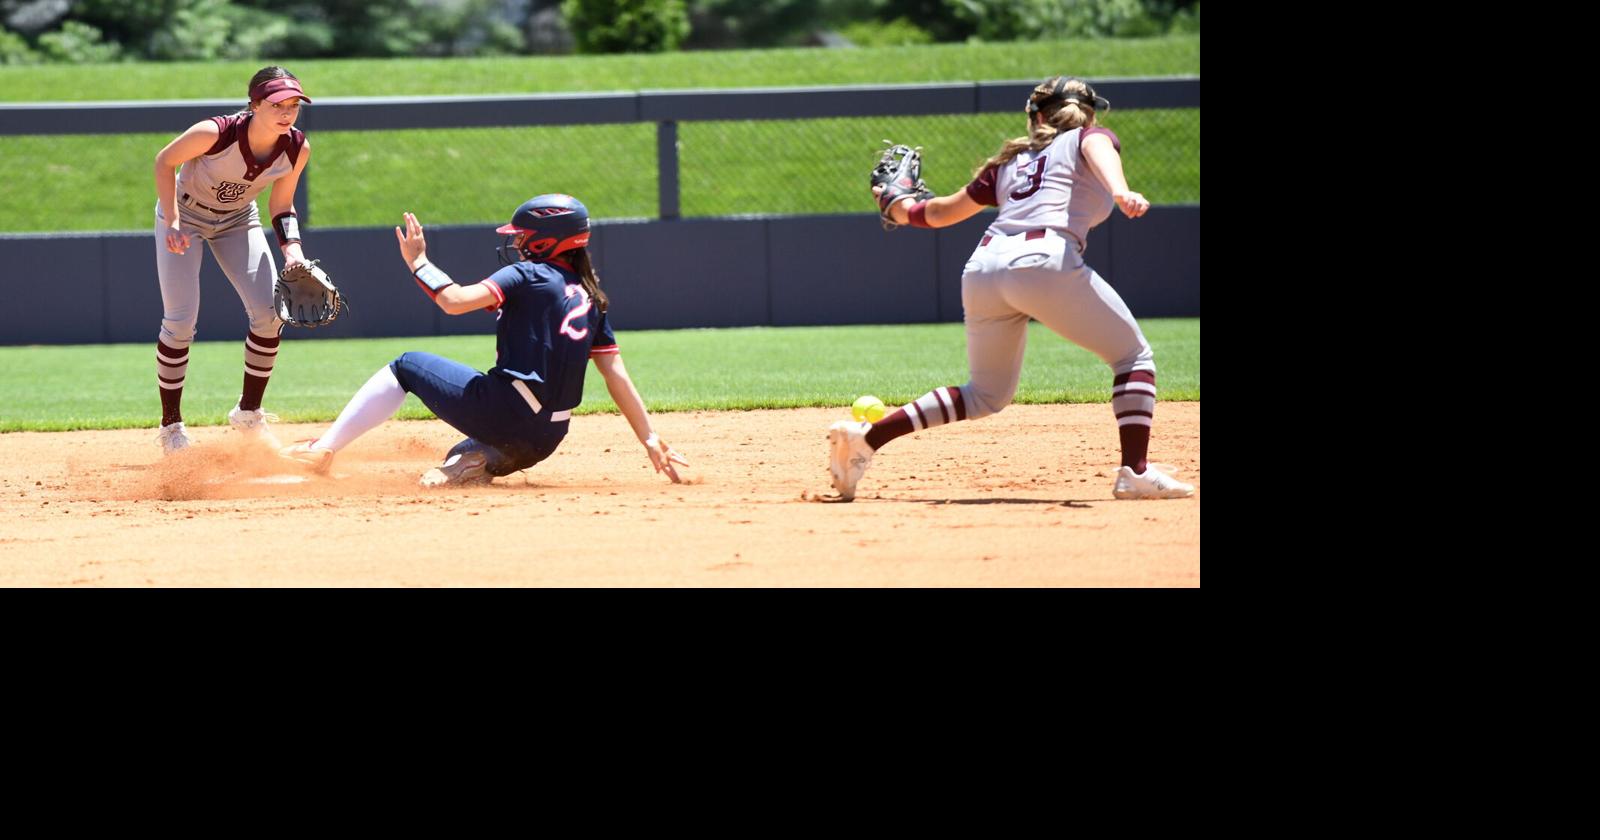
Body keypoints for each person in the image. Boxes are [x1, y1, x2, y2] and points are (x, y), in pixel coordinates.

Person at [831, 75, 1194, 501]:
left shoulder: (1008, 163)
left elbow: (942, 212)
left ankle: (866, 440)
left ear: (1036, 117)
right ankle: (1134, 471)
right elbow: (1094, 145)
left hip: (984, 267)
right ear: (1090, 113)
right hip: (1044, 261)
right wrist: (1120, 190)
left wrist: (899, 206)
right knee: (1133, 357)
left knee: (984, 395)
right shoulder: (1089, 137)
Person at [278, 194, 688, 487]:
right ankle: (477, 460)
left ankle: (323, 448)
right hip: (548, 437)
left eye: (524, 236)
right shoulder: (592, 296)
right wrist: (649, 438)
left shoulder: (527, 275)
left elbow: (454, 301)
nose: (517, 243)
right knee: (468, 449)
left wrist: (418, 262)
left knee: (406, 366)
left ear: (547, 241)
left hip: (507, 410)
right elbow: (615, 373)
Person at [152, 65, 314, 455]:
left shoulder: (296, 146)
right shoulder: (216, 132)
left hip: (238, 219)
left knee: (269, 314)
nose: (287, 112)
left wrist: (292, 249)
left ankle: (249, 414)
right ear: (255, 104)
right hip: (185, 217)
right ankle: (171, 426)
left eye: (294, 104)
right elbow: (164, 161)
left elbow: (282, 204)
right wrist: (172, 220)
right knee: (180, 321)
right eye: (277, 103)